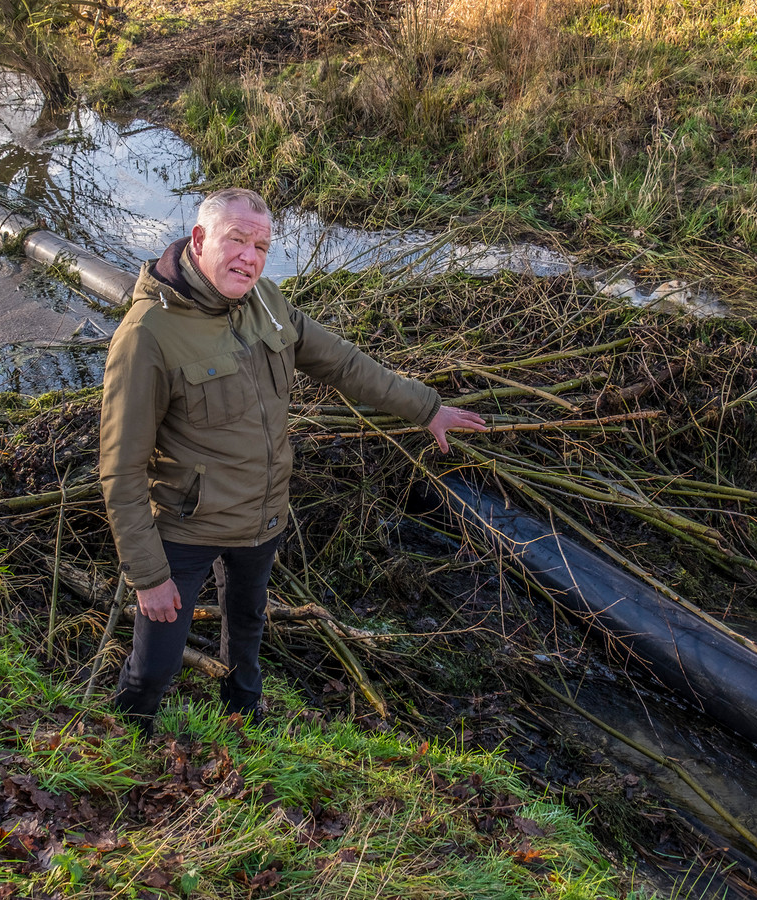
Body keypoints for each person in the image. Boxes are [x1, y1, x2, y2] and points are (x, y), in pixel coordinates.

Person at [98, 188, 486, 731]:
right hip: (185, 529)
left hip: (262, 518)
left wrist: (426, 409)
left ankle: (243, 723)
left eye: (261, 245)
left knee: (248, 629)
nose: (250, 257)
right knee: (155, 661)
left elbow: (346, 365)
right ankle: (126, 741)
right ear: (200, 239)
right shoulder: (148, 335)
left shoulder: (268, 305)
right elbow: (120, 468)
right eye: (236, 240)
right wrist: (147, 574)